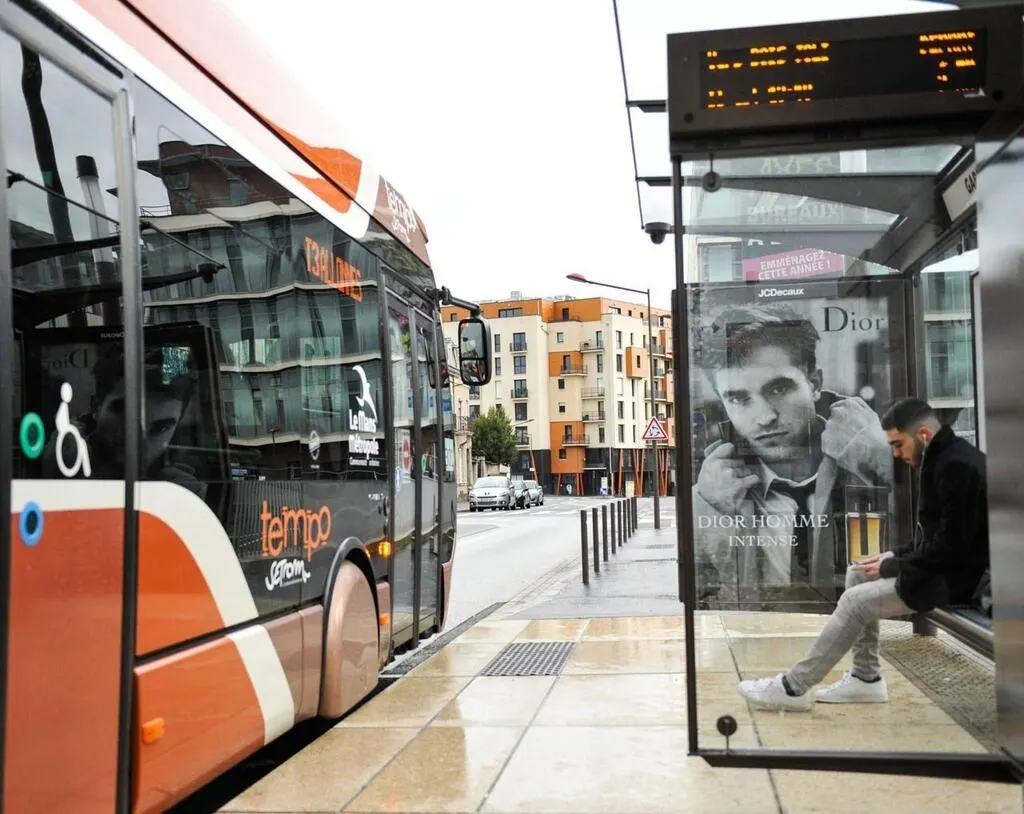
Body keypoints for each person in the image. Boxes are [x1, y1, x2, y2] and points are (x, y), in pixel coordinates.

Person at [737, 397, 989, 711]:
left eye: (899, 445)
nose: (896, 454)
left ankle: (793, 687)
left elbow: (953, 548)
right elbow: (935, 536)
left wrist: (895, 565)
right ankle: (865, 678)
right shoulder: (942, 458)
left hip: (955, 581)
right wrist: (892, 555)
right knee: (859, 570)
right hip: (942, 569)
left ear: (923, 435)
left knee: (856, 602)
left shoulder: (956, 466)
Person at [692, 302, 893, 606]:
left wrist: (882, 460)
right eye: (738, 398)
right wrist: (708, 508)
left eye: (777, 389)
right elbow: (707, 601)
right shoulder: (713, 493)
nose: (764, 417)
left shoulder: (868, 456)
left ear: (814, 382)